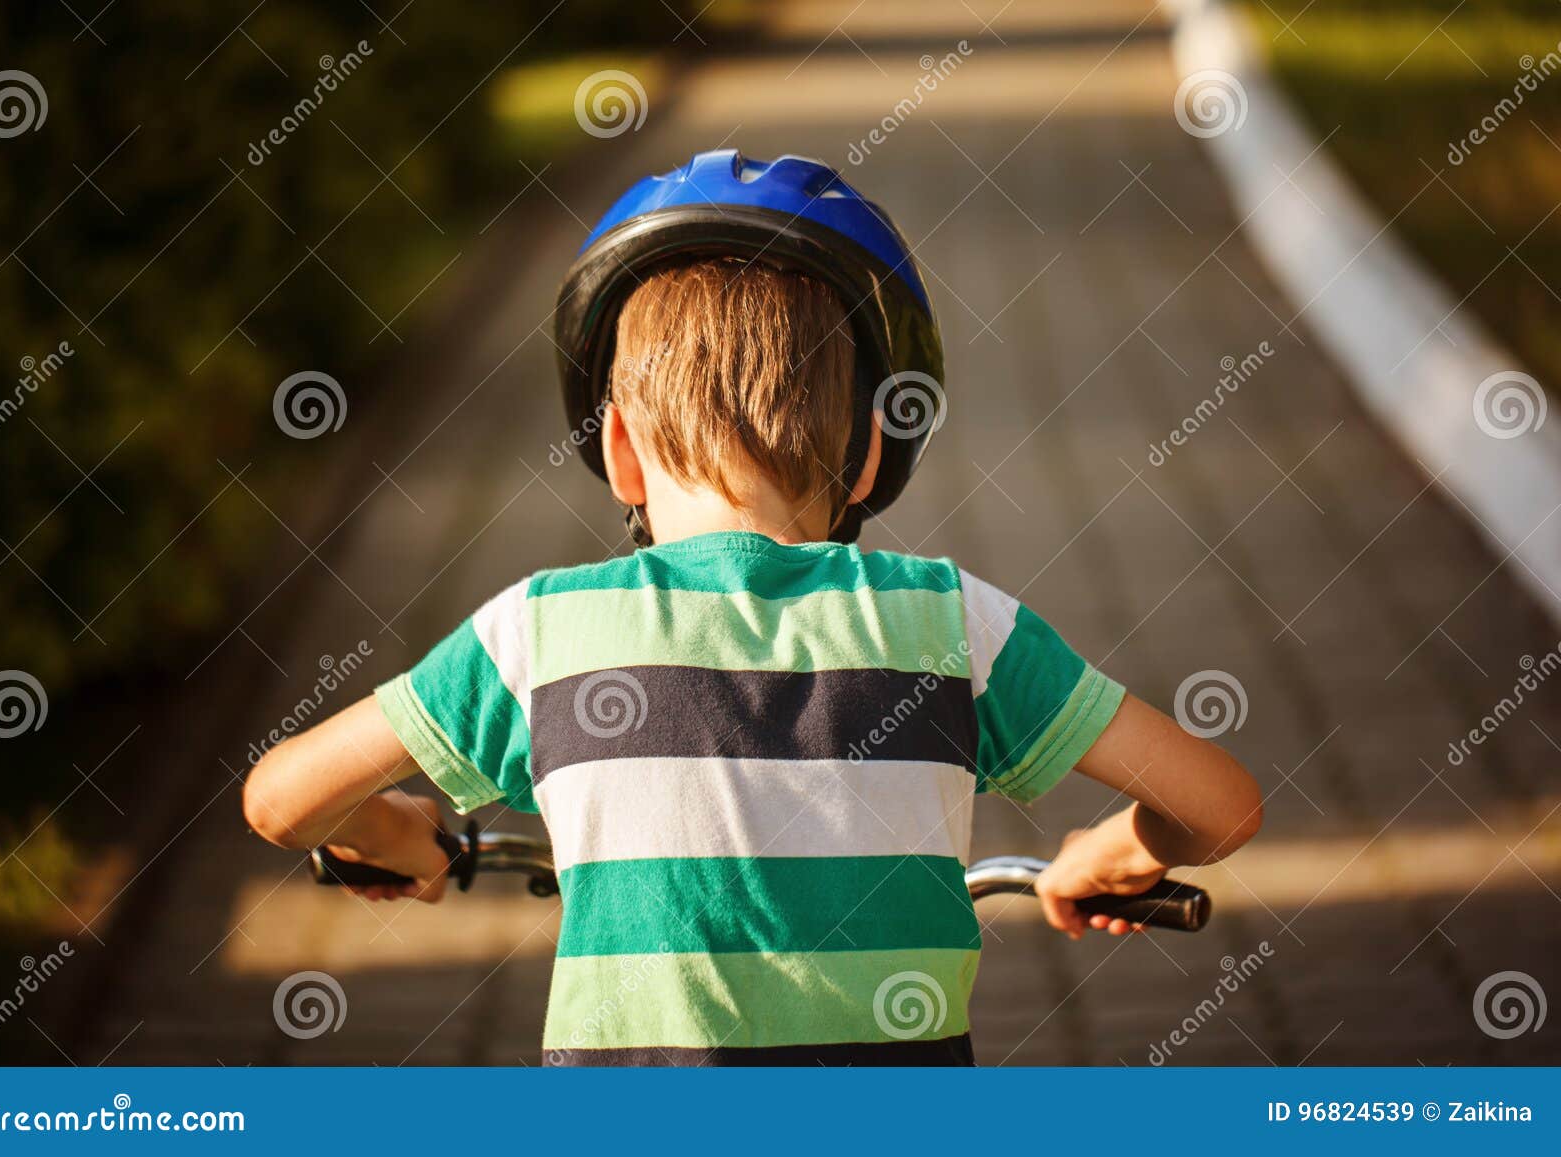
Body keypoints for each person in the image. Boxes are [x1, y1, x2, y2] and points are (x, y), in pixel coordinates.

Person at [242, 150, 1263, 1066]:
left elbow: (281, 801)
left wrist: (393, 831)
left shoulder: (539, 634)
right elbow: (1220, 807)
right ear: (871, 449)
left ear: (618, 450)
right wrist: (1119, 848)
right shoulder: (956, 624)